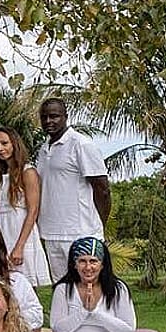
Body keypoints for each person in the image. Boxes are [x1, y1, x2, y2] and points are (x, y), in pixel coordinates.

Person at [36, 99, 112, 279]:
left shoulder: (81, 145)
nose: (48, 121)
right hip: (51, 233)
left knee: (87, 287)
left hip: (81, 233)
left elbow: (102, 189)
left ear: (65, 117)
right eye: (44, 117)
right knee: (62, 288)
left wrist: (98, 226)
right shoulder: (44, 149)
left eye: (54, 116)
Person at [0, 126, 50, 285]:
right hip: (3, 230)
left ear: (14, 144)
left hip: (20, 231)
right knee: (4, 283)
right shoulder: (2, 175)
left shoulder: (27, 172)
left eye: (4, 143)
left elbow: (33, 211)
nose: (0, 148)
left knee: (25, 284)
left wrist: (19, 246)